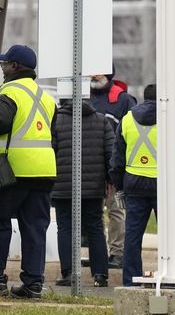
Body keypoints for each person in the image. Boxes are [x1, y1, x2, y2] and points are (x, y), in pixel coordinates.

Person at [0, 44, 56, 299]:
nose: (2, 67)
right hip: (43, 170)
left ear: (15, 66)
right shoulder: (45, 97)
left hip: (12, 170)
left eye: (5, 63)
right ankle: (33, 283)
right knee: (34, 227)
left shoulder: (10, 91)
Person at [109, 84, 175, 287]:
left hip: (134, 185)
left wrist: (119, 187)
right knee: (169, 237)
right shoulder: (172, 121)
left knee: (132, 236)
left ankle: (131, 282)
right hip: (163, 186)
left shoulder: (127, 120)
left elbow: (117, 158)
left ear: (144, 98)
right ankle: (169, 276)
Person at [51, 97, 114, 288]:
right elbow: (110, 153)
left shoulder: (56, 121)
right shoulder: (101, 120)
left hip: (62, 184)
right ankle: (100, 275)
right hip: (94, 186)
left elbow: (51, 149)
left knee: (65, 227)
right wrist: (110, 180)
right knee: (95, 227)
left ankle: (68, 273)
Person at [90, 70, 137, 269]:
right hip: (90, 166)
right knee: (92, 213)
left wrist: (118, 168)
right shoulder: (83, 97)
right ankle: (96, 252)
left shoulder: (124, 100)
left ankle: (116, 253)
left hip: (114, 167)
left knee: (116, 211)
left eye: (98, 73)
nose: (93, 77)